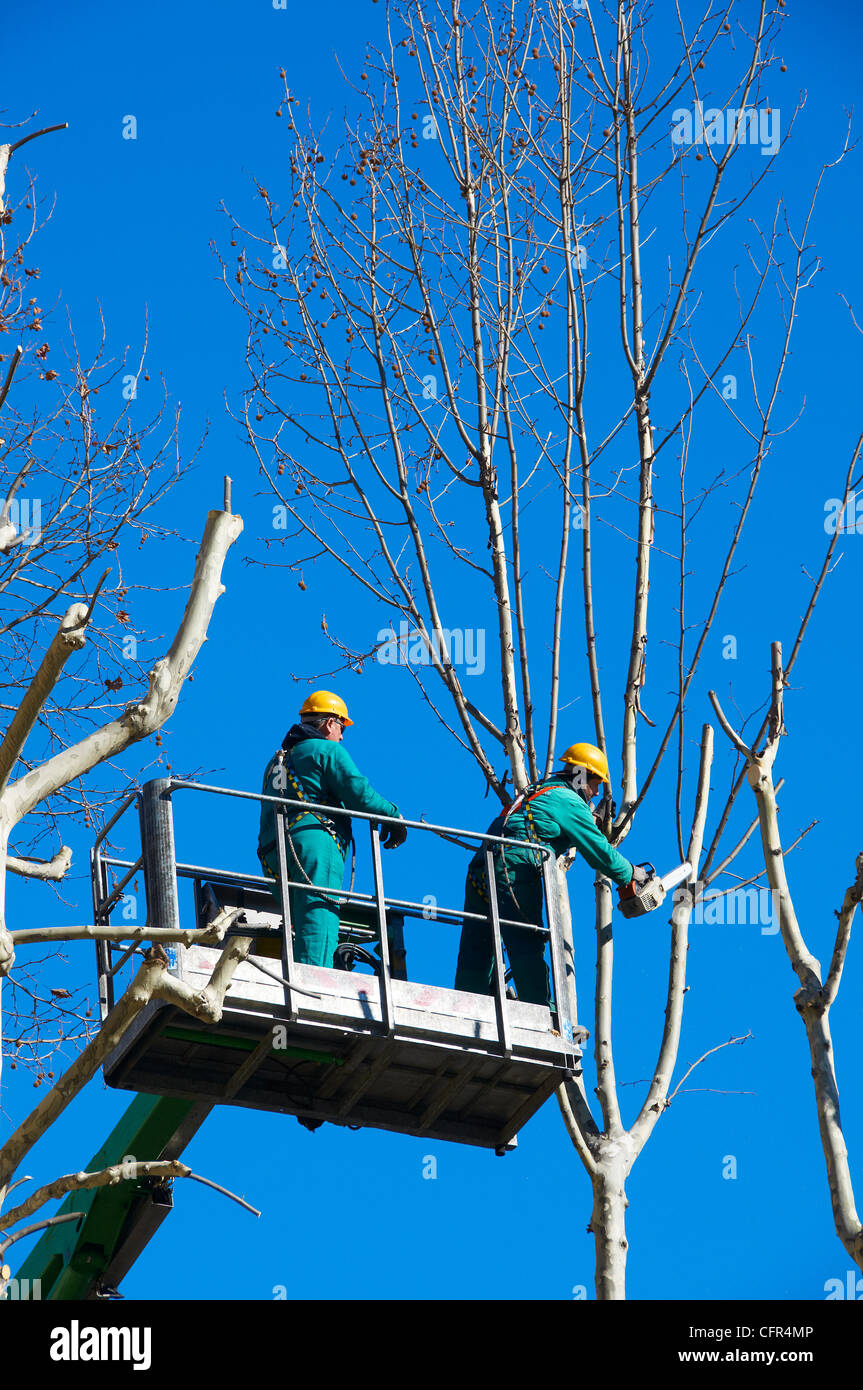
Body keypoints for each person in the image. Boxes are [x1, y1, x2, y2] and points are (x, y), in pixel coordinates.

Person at [454, 742, 648, 1007]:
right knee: (527, 941)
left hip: (481, 869)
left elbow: (548, 823)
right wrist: (632, 874)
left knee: (478, 942)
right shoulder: (569, 801)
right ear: (581, 774)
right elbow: (600, 853)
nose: (596, 790)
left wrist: (592, 820)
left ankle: (468, 1005)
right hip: (514, 868)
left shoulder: (541, 789)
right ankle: (544, 1013)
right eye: (595, 783)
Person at [258, 691, 406, 967]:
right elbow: (359, 794)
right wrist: (393, 817)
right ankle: (314, 990)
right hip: (315, 845)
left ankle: (297, 975)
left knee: (299, 923)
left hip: (273, 854)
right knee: (319, 917)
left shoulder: (275, 762)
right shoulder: (326, 750)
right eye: (341, 728)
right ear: (329, 724)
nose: (341, 736)